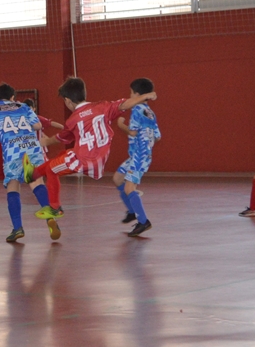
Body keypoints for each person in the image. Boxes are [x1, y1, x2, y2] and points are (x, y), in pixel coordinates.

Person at [23, 77, 157, 237]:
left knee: (52, 170)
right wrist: (145, 96)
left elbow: (61, 137)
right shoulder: (103, 107)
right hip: (99, 158)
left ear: (67, 100)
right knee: (60, 158)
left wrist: (45, 141)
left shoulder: (73, 119)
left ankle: (55, 207)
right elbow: (125, 104)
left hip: (83, 159)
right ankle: (33, 173)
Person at [0, 83, 62, 243]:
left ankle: (17, 228)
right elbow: (37, 125)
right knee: (36, 182)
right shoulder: (23, 106)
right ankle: (49, 218)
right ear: (13, 97)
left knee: (13, 186)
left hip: (12, 151)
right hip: (31, 148)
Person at [113, 78, 160, 237]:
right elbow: (158, 136)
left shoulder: (137, 109)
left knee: (129, 188)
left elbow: (132, 132)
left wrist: (120, 125)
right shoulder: (150, 112)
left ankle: (143, 221)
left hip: (139, 156)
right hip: (138, 154)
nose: (130, 95)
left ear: (138, 94)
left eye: (131, 93)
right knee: (118, 178)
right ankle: (132, 211)